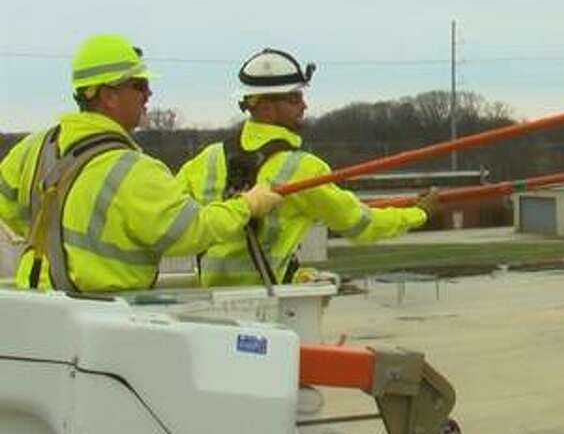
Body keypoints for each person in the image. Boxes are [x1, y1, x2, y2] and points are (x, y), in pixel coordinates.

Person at [0, 34, 281, 292]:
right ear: (108, 95)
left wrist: (53, 238)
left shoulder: (34, 147)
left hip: (35, 314)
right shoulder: (132, 170)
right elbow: (192, 231)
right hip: (104, 319)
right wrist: (248, 205)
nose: (149, 94)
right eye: (140, 85)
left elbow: (9, 207)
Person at [176, 47, 437, 287]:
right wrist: (418, 213)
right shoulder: (302, 168)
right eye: (294, 98)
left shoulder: (206, 159)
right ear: (265, 108)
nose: (304, 105)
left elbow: (171, 218)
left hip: (212, 308)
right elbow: (360, 224)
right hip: (269, 308)